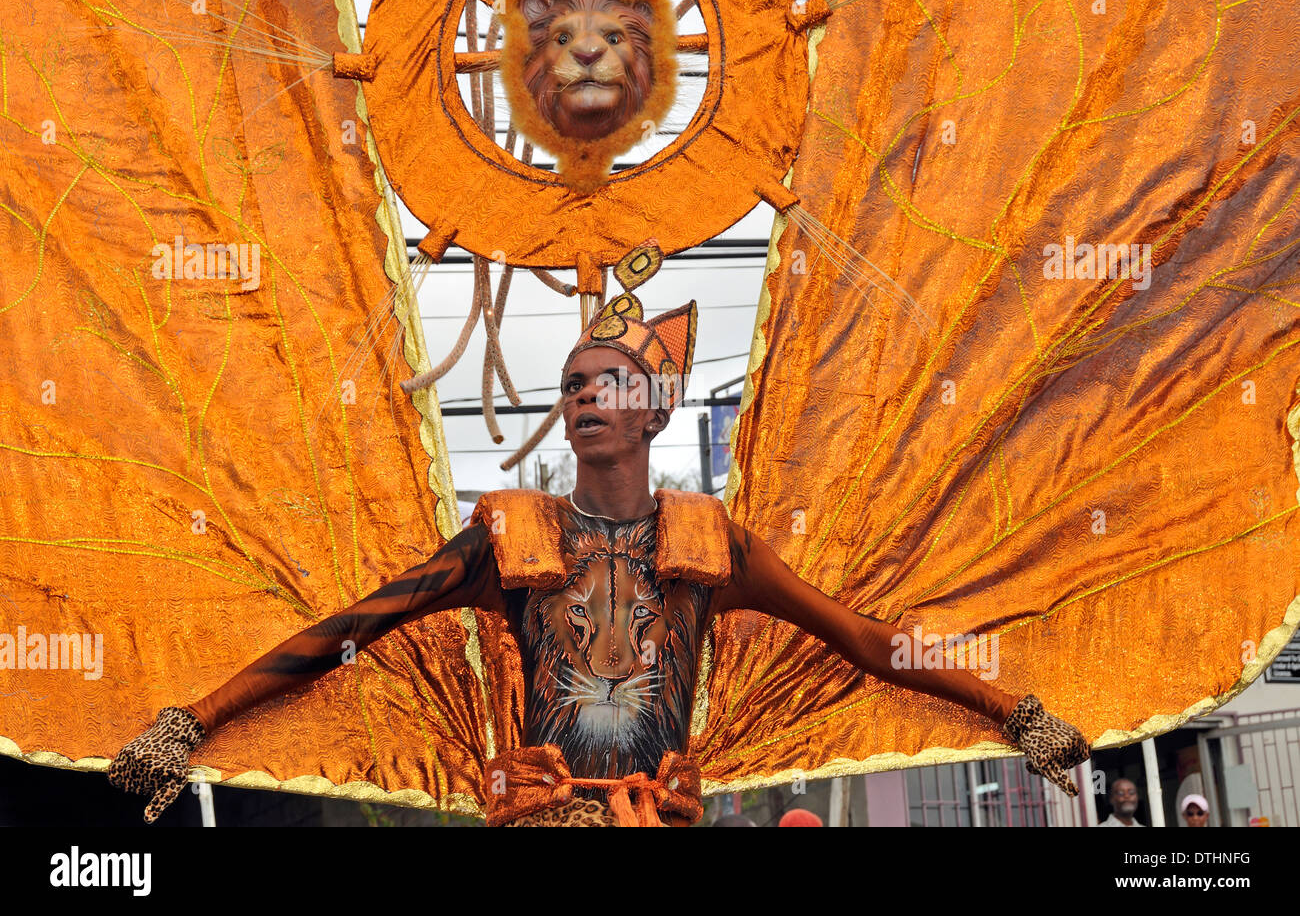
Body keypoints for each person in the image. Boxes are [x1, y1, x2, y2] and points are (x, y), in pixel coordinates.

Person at [108, 293, 1090, 826]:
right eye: (570, 384)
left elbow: (868, 642)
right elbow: (349, 628)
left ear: (654, 409)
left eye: (606, 382)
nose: (582, 397)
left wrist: (1020, 714)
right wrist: (188, 722)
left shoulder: (716, 547)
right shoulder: (509, 537)